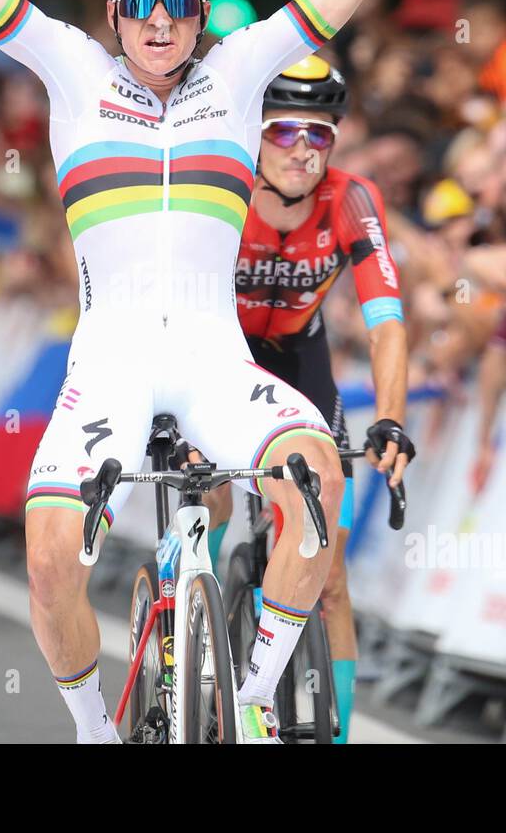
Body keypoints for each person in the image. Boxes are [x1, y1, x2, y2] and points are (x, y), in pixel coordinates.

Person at [0, 0, 375, 743]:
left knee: (317, 481)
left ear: (204, 13)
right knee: (48, 558)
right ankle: (92, 729)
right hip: (112, 369)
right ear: (112, 13)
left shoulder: (242, 70)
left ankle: (251, 696)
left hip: (219, 365)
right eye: (139, 0)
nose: (160, 20)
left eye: (179, 1)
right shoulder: (76, 69)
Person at [204, 54, 414, 743]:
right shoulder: (220, 191)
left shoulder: (352, 199)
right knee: (213, 500)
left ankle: (339, 734)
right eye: (285, 131)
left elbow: (387, 322)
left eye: (319, 134)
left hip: (301, 364)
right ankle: (194, 643)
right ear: (253, 133)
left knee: (329, 574)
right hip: (219, 359)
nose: (302, 149)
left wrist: (391, 418)